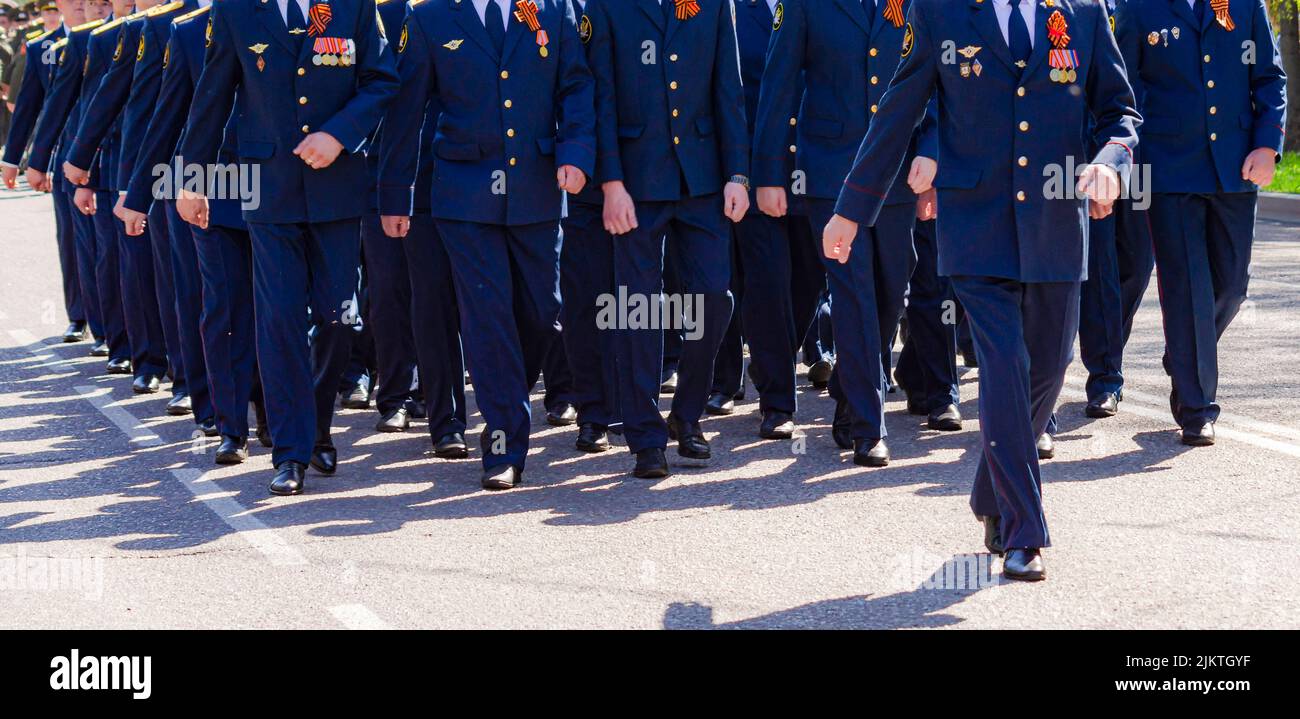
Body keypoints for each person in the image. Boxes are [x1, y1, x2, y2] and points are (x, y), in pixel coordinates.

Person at [822, 0, 1139, 580]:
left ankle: (991, 495)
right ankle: (1025, 531)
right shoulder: (940, 14)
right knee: (1003, 366)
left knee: (1048, 367)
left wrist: (1112, 163)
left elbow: (1119, 112)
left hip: (1054, 227)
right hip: (976, 229)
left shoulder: (1083, 14)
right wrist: (851, 210)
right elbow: (898, 112)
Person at [177, 0, 399, 495]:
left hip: (336, 188)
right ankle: (291, 450)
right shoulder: (236, 11)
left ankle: (318, 424)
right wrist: (191, 178)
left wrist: (338, 135)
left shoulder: (353, 6)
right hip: (268, 191)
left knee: (340, 319)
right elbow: (212, 96)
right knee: (279, 321)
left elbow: (382, 79)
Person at [380, 0, 595, 490]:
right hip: (463, 196)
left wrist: (577, 150)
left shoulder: (551, 8)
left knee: (545, 312)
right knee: (486, 316)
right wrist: (395, 195)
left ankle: (505, 391)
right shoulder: (430, 18)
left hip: (538, 189)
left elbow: (576, 84)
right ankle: (502, 444)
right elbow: (406, 111)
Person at [753, 0, 936, 465]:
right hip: (832, 171)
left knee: (891, 290)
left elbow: (936, 81)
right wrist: (770, 173)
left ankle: (847, 388)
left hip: (896, 170)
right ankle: (867, 425)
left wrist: (931, 152)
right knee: (853, 293)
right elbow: (780, 82)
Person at [583, 0, 749, 479]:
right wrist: (611, 183)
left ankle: (687, 413)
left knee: (714, 300)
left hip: (702, 178)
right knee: (639, 309)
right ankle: (644, 435)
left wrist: (738, 174)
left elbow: (728, 90)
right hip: (636, 180)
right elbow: (603, 99)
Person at [1114, 0, 1286, 445]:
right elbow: (1124, 91)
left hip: (1236, 166)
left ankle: (1186, 352)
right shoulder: (1139, 8)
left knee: (1232, 286)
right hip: (1169, 170)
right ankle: (1196, 410)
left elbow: (1269, 77)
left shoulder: (1246, 5)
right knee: (1187, 289)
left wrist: (1267, 145)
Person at [707, 0, 824, 442]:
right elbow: (728, 94)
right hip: (757, 169)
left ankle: (770, 360)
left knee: (810, 281)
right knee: (767, 283)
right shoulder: (737, 12)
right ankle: (777, 401)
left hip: (814, 167)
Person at [371, 0, 468, 459]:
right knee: (416, 296)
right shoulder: (382, 15)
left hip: (474, 173)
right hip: (411, 176)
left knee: (510, 304)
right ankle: (435, 413)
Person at [2, 1, 83, 343]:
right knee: (72, 241)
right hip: (64, 154)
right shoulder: (43, 48)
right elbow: (31, 105)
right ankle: (80, 316)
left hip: (113, 155)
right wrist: (17, 157)